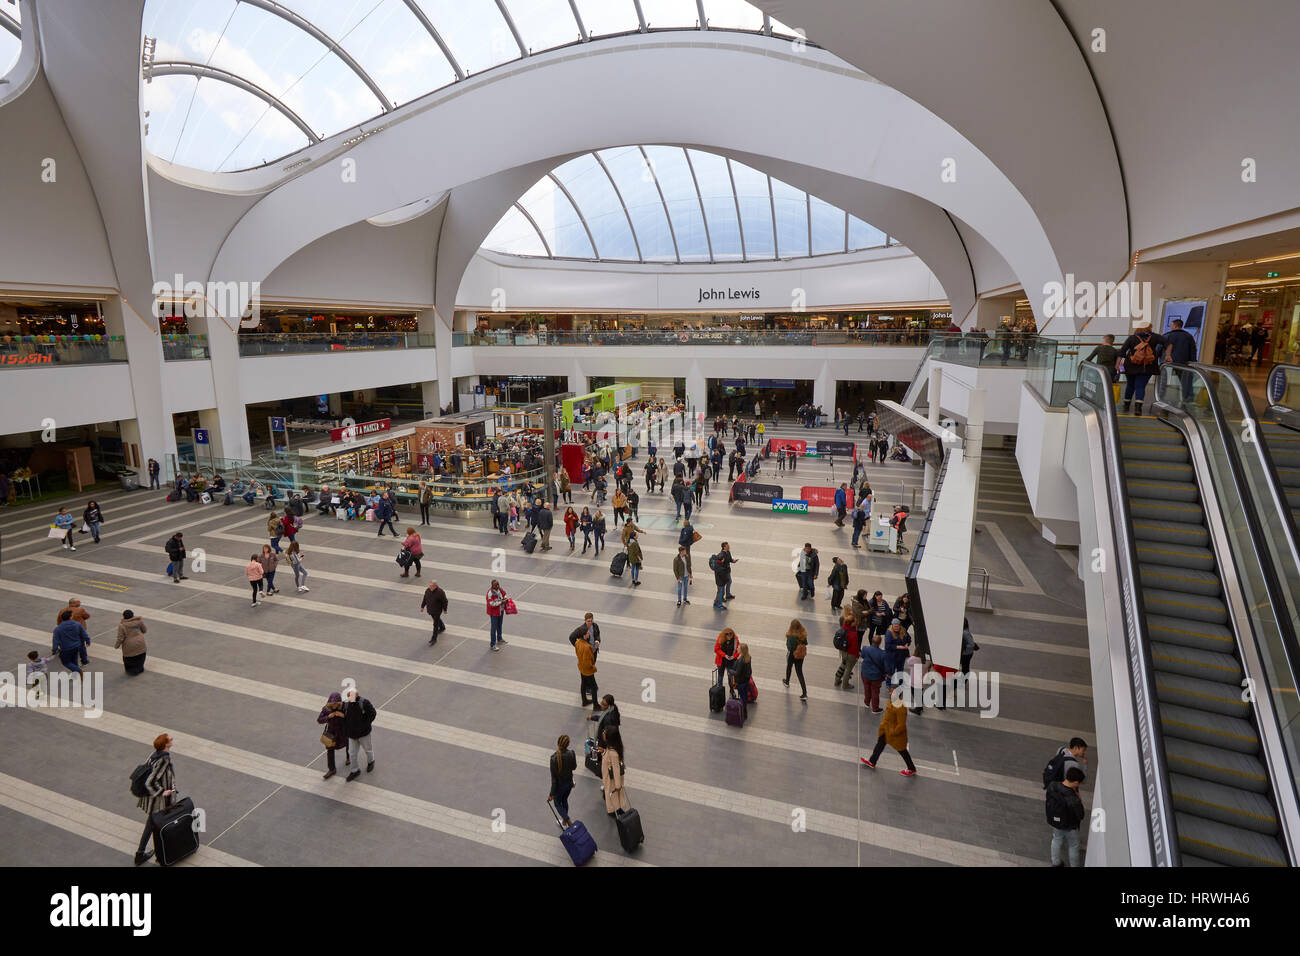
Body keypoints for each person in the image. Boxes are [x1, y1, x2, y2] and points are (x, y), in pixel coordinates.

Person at [133, 733, 177, 865]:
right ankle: (150, 854)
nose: (172, 740)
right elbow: (150, 782)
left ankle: (144, 853)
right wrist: (163, 792)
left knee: (153, 824)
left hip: (152, 799)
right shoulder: (164, 760)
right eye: (170, 739)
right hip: (157, 801)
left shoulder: (154, 755)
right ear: (165, 745)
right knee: (154, 825)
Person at [861, 694, 917, 775]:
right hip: (886, 730)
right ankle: (872, 761)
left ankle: (911, 768)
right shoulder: (891, 701)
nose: (891, 694)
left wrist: (893, 732)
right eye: (891, 691)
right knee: (880, 744)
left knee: (902, 750)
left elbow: (901, 725)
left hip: (895, 734)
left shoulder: (901, 707)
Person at [1118, 320, 1165, 416]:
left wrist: (1118, 365)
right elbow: (1167, 343)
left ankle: (1126, 405)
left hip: (1131, 366)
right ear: (1149, 328)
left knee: (1130, 385)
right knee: (1140, 386)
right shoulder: (1154, 338)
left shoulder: (1132, 338)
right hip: (1147, 367)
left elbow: (1122, 351)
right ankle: (1138, 408)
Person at [1047, 768, 1087, 867]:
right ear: (1076, 782)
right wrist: (1079, 800)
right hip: (1070, 826)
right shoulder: (1073, 798)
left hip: (1055, 822)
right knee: (1073, 846)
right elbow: (1081, 815)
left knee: (1056, 840)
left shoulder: (1053, 786)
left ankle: (1056, 863)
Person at [343, 687, 377, 782]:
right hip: (352, 734)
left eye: (351, 696)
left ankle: (371, 761)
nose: (349, 698)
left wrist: (365, 724)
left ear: (356, 695)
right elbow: (345, 718)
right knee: (352, 753)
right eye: (348, 696)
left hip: (363, 734)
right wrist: (346, 730)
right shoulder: (346, 704)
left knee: (368, 750)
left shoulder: (364, 703)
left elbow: (373, 714)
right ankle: (355, 770)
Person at [1163, 317, 1199, 400]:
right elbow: (1193, 349)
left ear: (1175, 326)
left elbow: (1163, 348)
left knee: (1164, 381)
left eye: (1171, 325)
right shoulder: (1188, 336)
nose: (1171, 327)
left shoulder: (1169, 335)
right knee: (1186, 381)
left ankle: (1163, 398)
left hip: (1169, 362)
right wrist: (1193, 361)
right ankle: (1188, 398)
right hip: (1184, 363)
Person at [548, 735, 578, 828]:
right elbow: (574, 767)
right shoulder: (572, 753)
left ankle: (568, 821)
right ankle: (564, 822)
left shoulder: (554, 758)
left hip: (560, 786)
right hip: (569, 784)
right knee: (564, 800)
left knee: (557, 803)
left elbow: (554, 780)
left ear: (558, 743)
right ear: (568, 744)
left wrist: (551, 794)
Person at [317, 692, 348, 780]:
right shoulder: (326, 709)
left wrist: (343, 715)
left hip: (343, 731)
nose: (334, 705)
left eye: (336, 703)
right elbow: (319, 720)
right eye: (332, 703)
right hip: (331, 733)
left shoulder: (344, 708)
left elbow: (351, 718)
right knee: (330, 751)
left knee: (348, 744)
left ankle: (349, 758)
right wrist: (328, 717)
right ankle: (331, 769)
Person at [599, 727, 630, 816]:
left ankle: (613, 810)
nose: (603, 733)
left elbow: (616, 769)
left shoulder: (613, 753)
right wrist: (604, 751)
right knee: (612, 795)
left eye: (605, 733)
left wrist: (617, 785)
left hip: (611, 780)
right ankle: (616, 809)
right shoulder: (612, 748)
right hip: (609, 778)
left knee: (613, 796)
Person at [52, 609, 90, 674]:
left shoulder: (58, 629)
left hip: (66, 648)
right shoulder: (77, 624)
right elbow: (84, 634)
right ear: (70, 617)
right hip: (77, 646)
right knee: (74, 660)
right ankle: (75, 674)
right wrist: (87, 640)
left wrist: (54, 650)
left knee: (65, 662)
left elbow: (55, 640)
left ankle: (78, 671)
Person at [860, 632, 889, 713]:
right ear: (880, 643)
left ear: (872, 641)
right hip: (876, 676)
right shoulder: (882, 654)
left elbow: (862, 656)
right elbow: (885, 666)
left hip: (865, 673)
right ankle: (875, 708)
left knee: (867, 688)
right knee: (875, 692)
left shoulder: (865, 649)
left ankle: (866, 702)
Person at [114, 610, 147, 675]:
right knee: (140, 656)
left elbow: (120, 638)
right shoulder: (139, 621)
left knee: (129, 659)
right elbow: (144, 630)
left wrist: (116, 646)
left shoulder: (122, 625)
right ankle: (140, 669)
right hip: (140, 643)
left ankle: (131, 671)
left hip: (129, 646)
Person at [783, 619, 809, 700]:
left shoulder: (791, 636)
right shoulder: (803, 634)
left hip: (792, 655)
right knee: (799, 673)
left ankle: (787, 681)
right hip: (800, 655)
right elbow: (806, 643)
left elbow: (789, 647)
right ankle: (804, 693)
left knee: (789, 667)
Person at [833, 613, 860, 690]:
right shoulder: (853, 633)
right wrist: (856, 655)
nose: (856, 622)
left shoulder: (843, 628)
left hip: (843, 651)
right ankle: (845, 685)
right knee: (848, 669)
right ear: (851, 623)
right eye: (855, 621)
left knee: (842, 665)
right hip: (850, 654)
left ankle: (836, 681)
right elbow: (854, 647)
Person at [420, 579, 449, 645]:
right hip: (430, 609)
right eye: (430, 585)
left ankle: (434, 639)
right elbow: (425, 598)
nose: (430, 587)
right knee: (437, 619)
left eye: (431, 586)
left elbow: (445, 601)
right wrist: (422, 606)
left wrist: (445, 609)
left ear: (435, 586)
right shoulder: (427, 590)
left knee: (435, 624)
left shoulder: (440, 592)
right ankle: (442, 627)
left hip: (437, 610)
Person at [576, 628, 599, 708]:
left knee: (583, 683)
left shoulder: (578, 642)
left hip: (581, 667)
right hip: (588, 670)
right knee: (594, 687)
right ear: (585, 635)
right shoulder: (587, 647)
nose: (589, 634)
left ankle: (584, 701)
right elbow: (589, 660)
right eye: (588, 633)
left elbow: (577, 653)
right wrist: (592, 666)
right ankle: (596, 705)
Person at [711, 542, 737, 609]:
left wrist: (733, 561)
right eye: (727, 545)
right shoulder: (721, 555)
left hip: (725, 573)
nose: (729, 546)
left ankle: (722, 599)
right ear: (724, 547)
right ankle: (718, 603)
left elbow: (730, 559)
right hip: (722, 575)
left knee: (725, 586)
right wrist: (721, 563)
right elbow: (719, 569)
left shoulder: (728, 552)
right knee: (720, 590)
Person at [884, 618, 910, 683]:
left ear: (900, 625)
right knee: (891, 671)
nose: (896, 628)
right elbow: (887, 646)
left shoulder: (903, 630)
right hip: (892, 656)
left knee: (900, 670)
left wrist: (907, 644)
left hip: (901, 655)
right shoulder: (889, 633)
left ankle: (900, 682)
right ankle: (889, 683)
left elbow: (909, 638)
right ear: (892, 626)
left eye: (897, 626)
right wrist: (898, 647)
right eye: (895, 626)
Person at [486, 579, 509, 650]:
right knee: (494, 628)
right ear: (492, 586)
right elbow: (491, 604)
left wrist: (505, 598)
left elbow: (504, 594)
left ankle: (499, 638)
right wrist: (501, 602)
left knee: (499, 625)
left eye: (498, 584)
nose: (498, 586)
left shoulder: (500, 589)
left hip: (500, 611)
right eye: (496, 585)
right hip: (494, 613)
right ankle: (492, 645)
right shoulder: (490, 593)